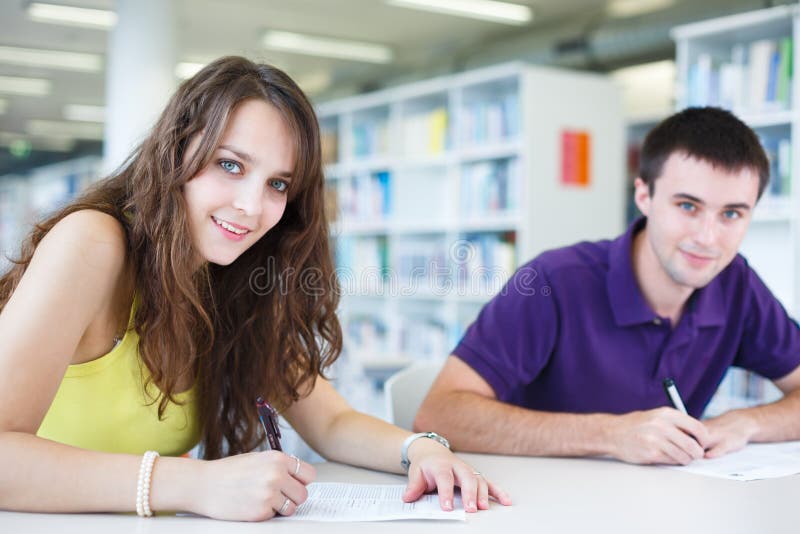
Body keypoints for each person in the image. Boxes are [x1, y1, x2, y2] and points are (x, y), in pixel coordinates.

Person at [0, 56, 511, 521]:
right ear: (175, 150)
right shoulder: (93, 243)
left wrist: (421, 450)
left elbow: (330, 423)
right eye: (230, 165)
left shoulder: (231, 277)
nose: (251, 205)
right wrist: (192, 483)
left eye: (278, 184)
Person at [416, 107, 800, 466]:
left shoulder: (736, 284)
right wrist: (611, 434)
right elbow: (439, 413)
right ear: (644, 196)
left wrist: (745, 423)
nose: (707, 238)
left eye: (731, 214)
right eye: (687, 206)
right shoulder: (552, 281)